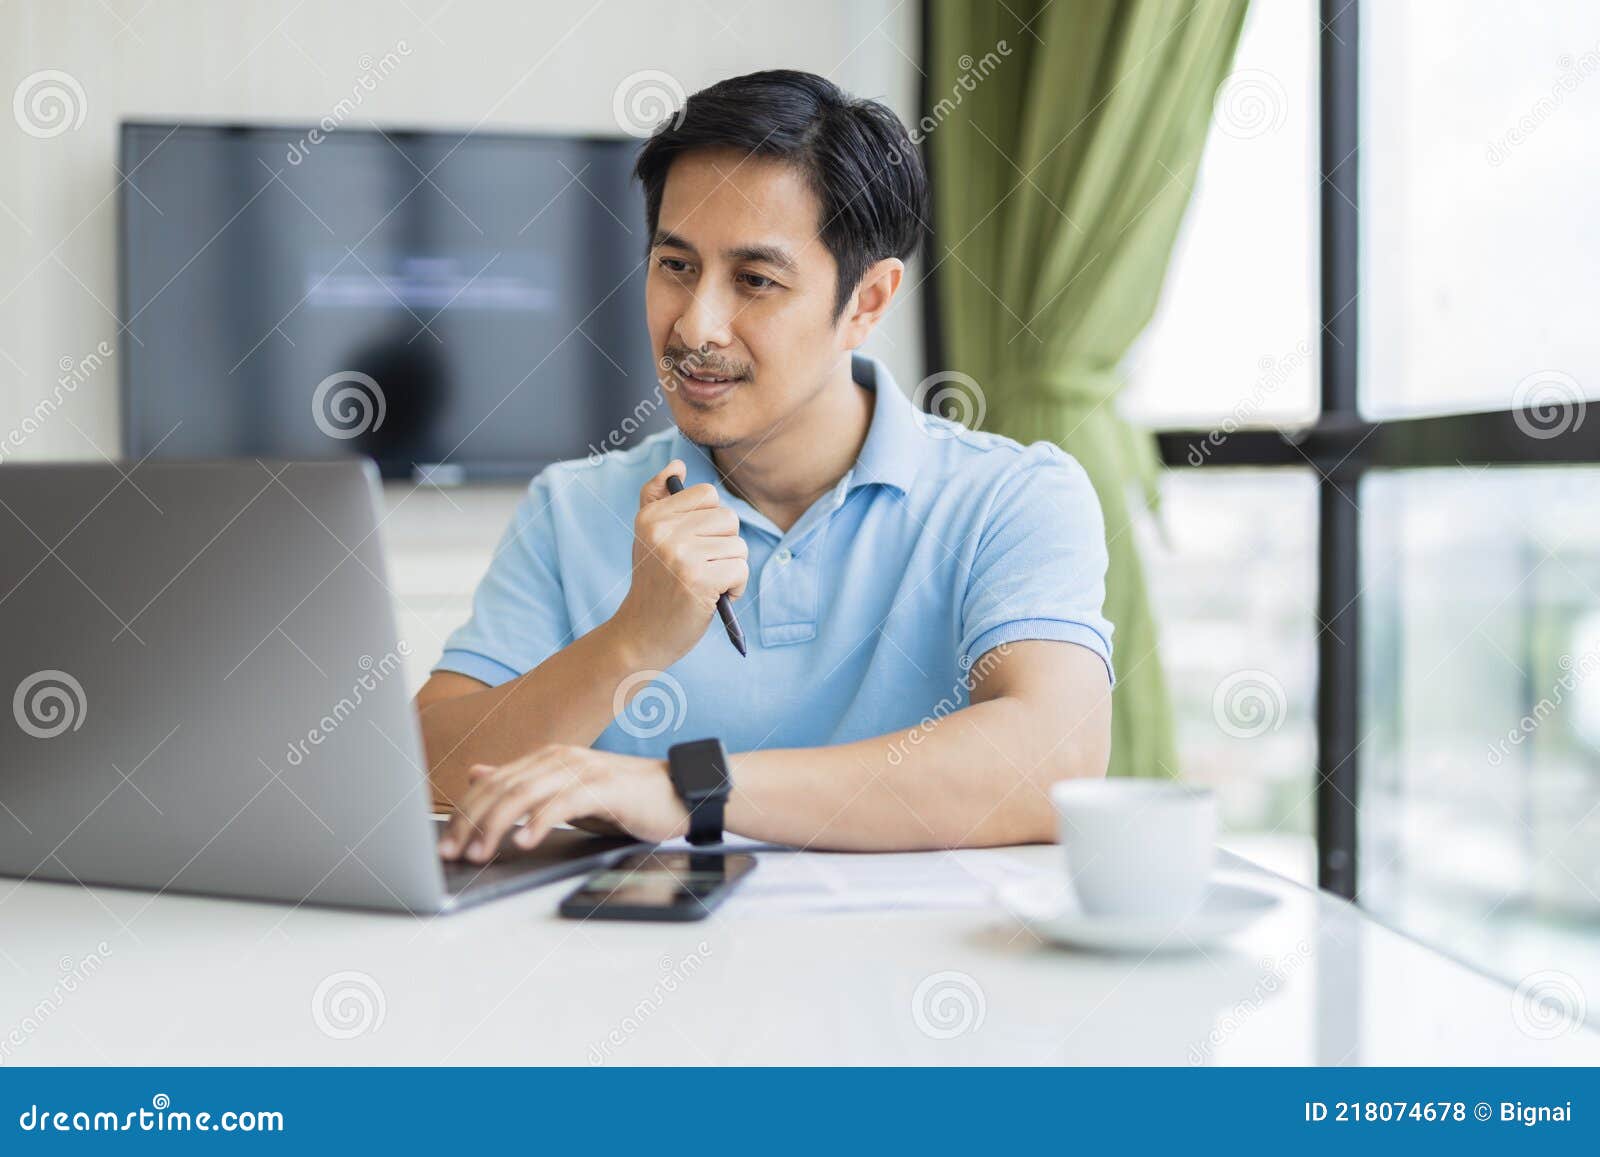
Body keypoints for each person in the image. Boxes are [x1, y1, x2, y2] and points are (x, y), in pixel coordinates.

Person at [421, 69, 1113, 862]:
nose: (695, 324)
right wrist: (629, 642)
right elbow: (427, 773)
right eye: (675, 265)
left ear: (868, 302)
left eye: (755, 280)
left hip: (913, 971)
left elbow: (1051, 760)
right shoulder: (571, 508)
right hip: (634, 974)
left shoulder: (1012, 497)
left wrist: (686, 788)